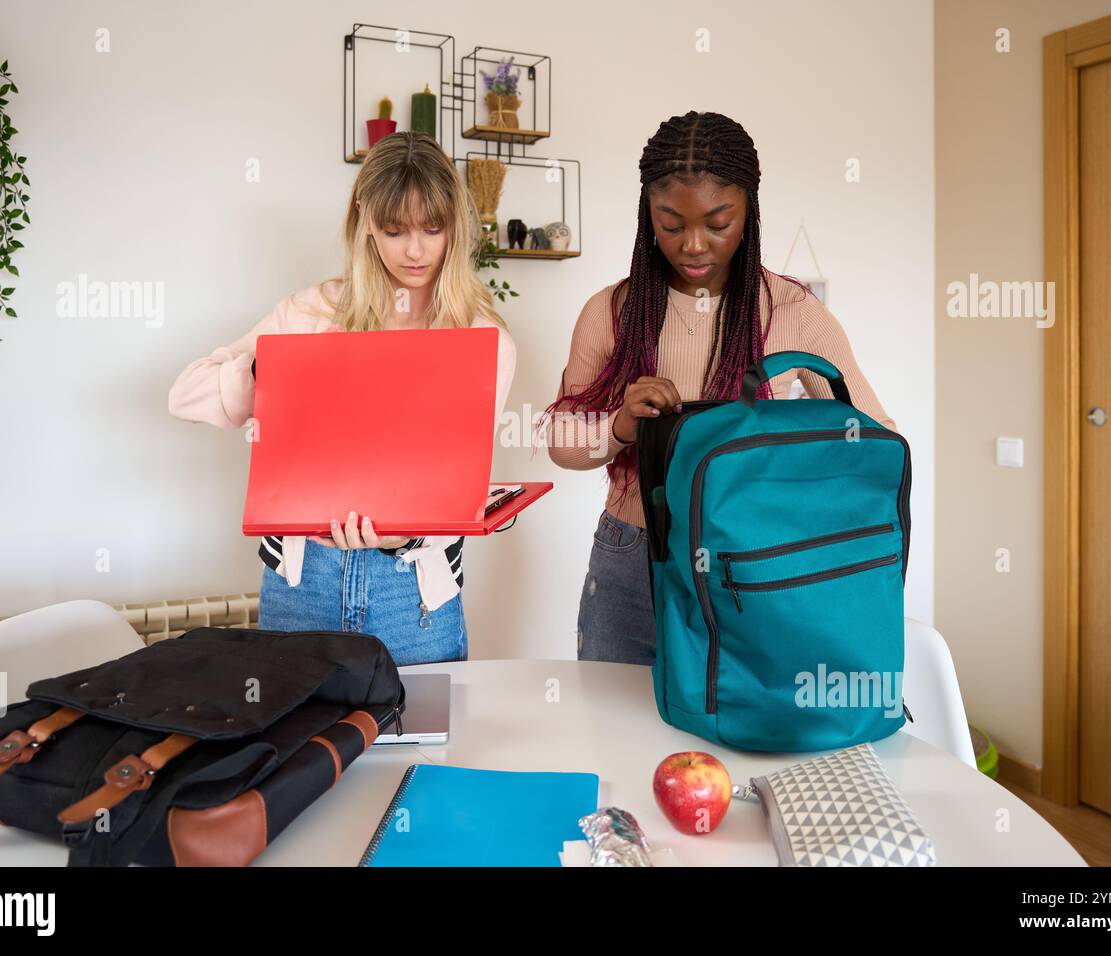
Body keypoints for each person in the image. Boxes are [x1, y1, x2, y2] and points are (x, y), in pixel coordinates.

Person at [544, 111, 895, 666]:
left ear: (748, 211)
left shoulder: (793, 311)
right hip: (632, 557)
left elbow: (875, 441)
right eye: (671, 224)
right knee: (609, 734)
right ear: (647, 216)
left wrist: (779, 447)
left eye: (717, 222)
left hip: (751, 558)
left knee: (732, 731)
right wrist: (620, 426)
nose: (693, 245)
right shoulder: (610, 311)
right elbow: (562, 443)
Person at [168, 131, 516, 665]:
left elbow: (458, 482)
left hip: (415, 596)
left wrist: (404, 534)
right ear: (364, 219)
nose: (416, 250)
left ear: (456, 224)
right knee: (295, 745)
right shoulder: (311, 313)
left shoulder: (482, 338)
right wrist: (270, 374)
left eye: (433, 228)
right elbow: (184, 396)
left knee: (413, 745)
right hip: (301, 583)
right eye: (395, 230)